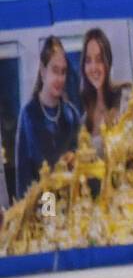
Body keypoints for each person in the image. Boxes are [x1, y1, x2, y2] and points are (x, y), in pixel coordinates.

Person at [13, 37, 81, 199]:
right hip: (43, 203)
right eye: (55, 70)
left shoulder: (71, 114)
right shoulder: (29, 115)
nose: (60, 78)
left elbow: (82, 159)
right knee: (51, 223)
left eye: (63, 72)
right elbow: (23, 177)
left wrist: (74, 157)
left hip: (72, 201)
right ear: (43, 72)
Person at [79, 29, 133, 149]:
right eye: (88, 61)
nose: (93, 67)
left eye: (99, 59)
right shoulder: (84, 121)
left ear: (108, 62)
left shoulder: (125, 99)